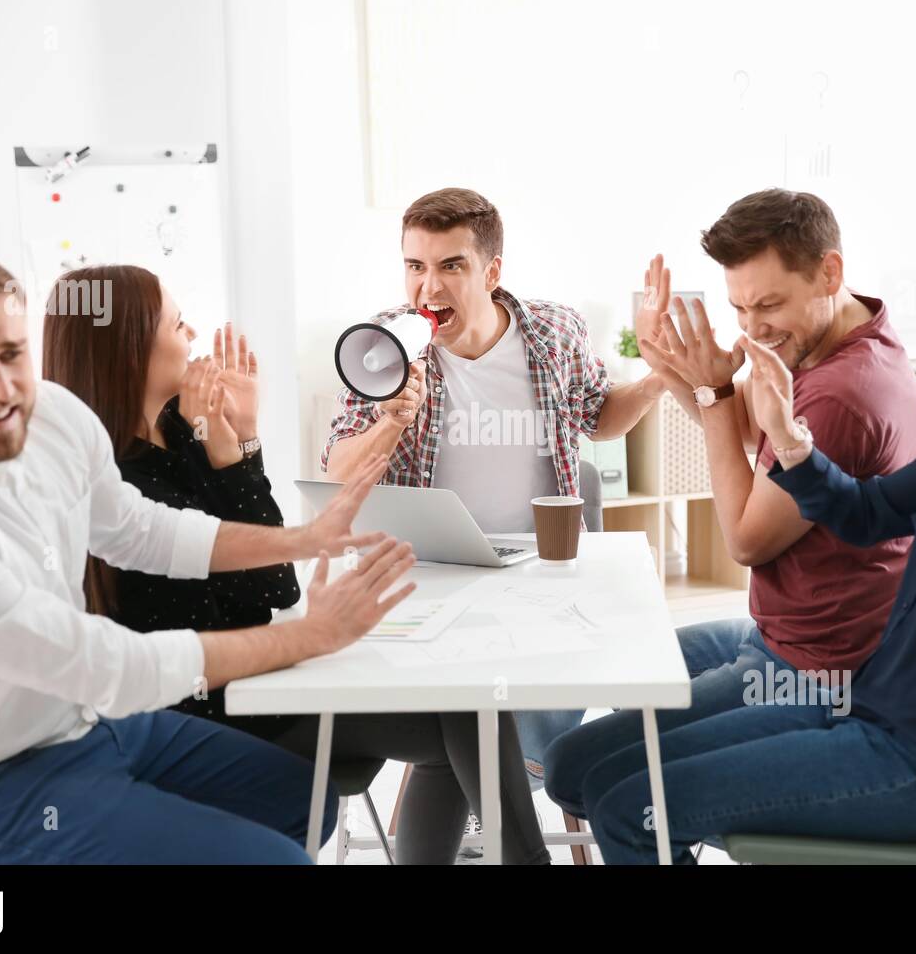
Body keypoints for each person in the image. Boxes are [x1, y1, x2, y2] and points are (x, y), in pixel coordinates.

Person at [546, 251, 916, 863]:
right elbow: (866, 514)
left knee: (628, 809)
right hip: (869, 709)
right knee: (605, 785)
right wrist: (792, 440)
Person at [0, 251, 415, 864]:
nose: (0, 386)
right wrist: (314, 635)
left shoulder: (54, 418)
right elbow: (110, 666)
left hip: (79, 723)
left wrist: (304, 539)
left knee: (305, 801)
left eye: (11, 354)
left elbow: (140, 529)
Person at [43, 264, 550, 864]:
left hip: (271, 680)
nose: (193, 334)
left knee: (468, 707)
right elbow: (269, 593)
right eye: (178, 324)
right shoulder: (124, 480)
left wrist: (244, 438)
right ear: (131, 348)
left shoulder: (182, 430)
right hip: (219, 713)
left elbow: (267, 586)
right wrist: (229, 457)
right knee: (464, 714)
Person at [542, 189, 916, 782]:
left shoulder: (840, 394)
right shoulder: (841, 337)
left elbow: (746, 540)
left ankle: (693, 806)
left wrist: (713, 391)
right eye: (739, 308)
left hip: (818, 671)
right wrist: (662, 359)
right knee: (628, 671)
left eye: (769, 304)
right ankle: (687, 808)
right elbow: (742, 424)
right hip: (786, 637)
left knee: (576, 767)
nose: (753, 330)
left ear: (830, 271)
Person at [323, 187, 668, 782]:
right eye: (415, 266)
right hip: (427, 576)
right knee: (459, 721)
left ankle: (498, 793)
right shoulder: (382, 344)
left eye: (451, 266)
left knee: (504, 718)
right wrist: (390, 420)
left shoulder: (555, 332)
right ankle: (491, 805)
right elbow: (340, 472)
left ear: (491, 270)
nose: (428, 289)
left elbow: (598, 416)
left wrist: (660, 379)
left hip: (537, 577)